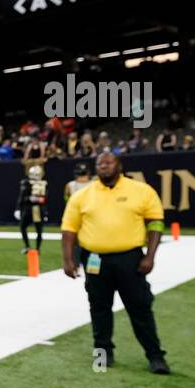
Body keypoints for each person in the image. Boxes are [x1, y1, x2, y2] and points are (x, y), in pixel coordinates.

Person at [61, 151, 170, 374]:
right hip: (94, 259)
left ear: (119, 165)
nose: (104, 166)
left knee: (139, 308)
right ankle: (103, 354)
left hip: (129, 259)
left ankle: (156, 357)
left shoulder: (140, 190)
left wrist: (150, 256)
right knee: (99, 308)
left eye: (109, 162)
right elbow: (69, 229)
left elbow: (156, 223)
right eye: (100, 163)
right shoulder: (83, 195)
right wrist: (68, 260)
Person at [16, 163, 48, 254]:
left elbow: (22, 197)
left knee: (24, 227)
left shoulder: (27, 183)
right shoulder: (44, 183)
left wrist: (18, 208)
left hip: (30, 208)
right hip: (38, 209)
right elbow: (45, 199)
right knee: (38, 230)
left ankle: (28, 246)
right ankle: (37, 249)